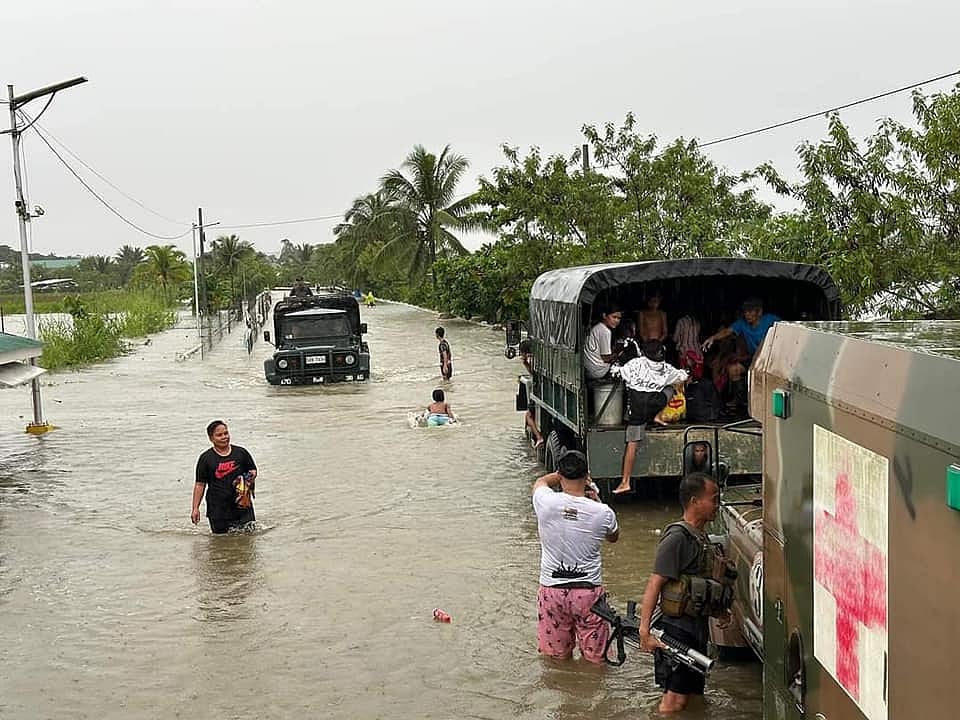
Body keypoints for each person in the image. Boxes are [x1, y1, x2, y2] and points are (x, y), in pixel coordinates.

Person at [638, 472, 734, 713]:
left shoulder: (703, 539)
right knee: (674, 701)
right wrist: (644, 631)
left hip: (697, 630)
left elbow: (704, 584)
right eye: (713, 499)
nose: (717, 505)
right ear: (694, 501)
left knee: (692, 696)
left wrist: (721, 612)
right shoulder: (676, 538)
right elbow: (654, 584)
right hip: (676, 630)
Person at [533, 450, 619, 663]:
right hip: (588, 594)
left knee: (555, 660)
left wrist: (556, 474)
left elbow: (540, 481)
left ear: (560, 474)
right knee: (596, 660)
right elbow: (614, 537)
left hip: (552, 591)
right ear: (587, 475)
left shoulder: (545, 502)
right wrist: (597, 501)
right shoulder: (603, 512)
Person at [611, 341, 689, 494]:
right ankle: (657, 416)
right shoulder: (667, 368)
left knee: (632, 445)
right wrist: (686, 370)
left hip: (637, 410)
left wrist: (617, 366)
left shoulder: (635, 363)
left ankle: (625, 481)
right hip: (654, 403)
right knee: (669, 389)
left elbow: (616, 372)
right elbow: (682, 376)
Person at [701, 298, 779, 416]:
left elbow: (786, 329)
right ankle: (740, 400)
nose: (747, 314)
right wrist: (713, 338)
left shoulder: (770, 319)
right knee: (733, 369)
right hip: (754, 358)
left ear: (759, 312)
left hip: (772, 359)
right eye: (745, 312)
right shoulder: (742, 323)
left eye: (750, 311)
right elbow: (727, 331)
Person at [192, 420, 258, 534]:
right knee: (221, 545)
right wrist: (195, 508)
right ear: (211, 438)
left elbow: (253, 470)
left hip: (243, 507)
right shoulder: (205, 458)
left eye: (226, 433)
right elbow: (200, 485)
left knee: (248, 542)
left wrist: (246, 479)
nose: (224, 437)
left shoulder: (241, 453)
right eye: (219, 435)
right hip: (218, 510)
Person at [583, 304, 623, 380]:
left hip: (588, 367)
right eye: (614, 317)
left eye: (619, 318)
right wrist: (617, 354)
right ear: (604, 316)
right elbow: (606, 358)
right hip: (597, 371)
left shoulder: (597, 327)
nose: (616, 321)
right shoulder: (605, 331)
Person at [518, 339, 544, 448]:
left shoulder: (533, 360)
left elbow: (534, 373)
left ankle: (539, 438)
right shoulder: (540, 356)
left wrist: (525, 362)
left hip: (541, 392)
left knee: (528, 415)